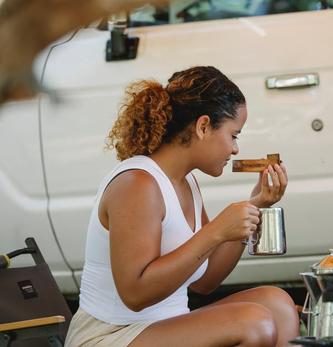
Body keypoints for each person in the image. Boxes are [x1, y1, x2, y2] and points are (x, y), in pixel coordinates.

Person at [65, 66, 298, 347]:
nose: (235, 149)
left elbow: (205, 281)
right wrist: (215, 232)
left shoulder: (186, 183)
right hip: (111, 335)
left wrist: (255, 205)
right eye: (233, 135)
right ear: (203, 126)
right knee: (254, 322)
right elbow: (135, 294)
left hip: (166, 327)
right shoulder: (138, 183)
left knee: (278, 305)